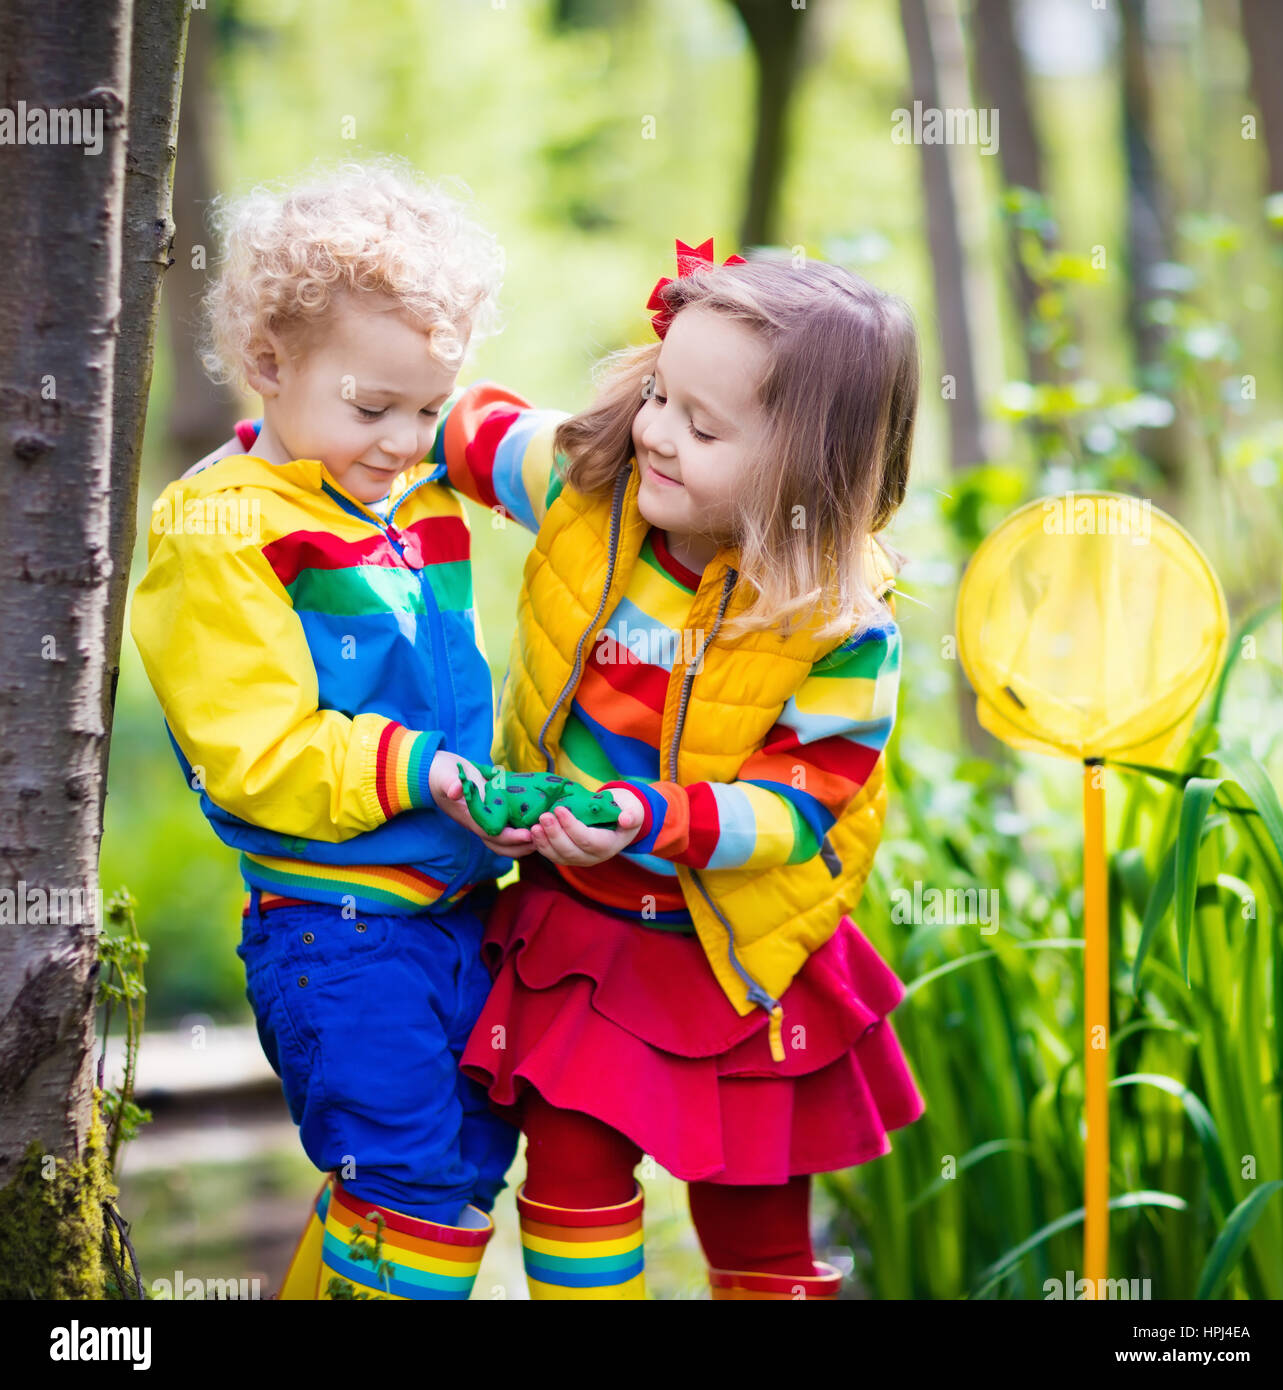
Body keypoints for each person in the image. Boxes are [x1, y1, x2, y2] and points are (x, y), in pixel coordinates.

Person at [439, 239, 928, 1299]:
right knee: (569, 1179)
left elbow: (799, 806)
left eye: (703, 427)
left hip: (741, 950)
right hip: (583, 930)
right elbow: (454, 424)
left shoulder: (839, 623)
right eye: (660, 394)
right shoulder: (590, 484)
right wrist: (290, 443)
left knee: (756, 1215)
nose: (658, 433)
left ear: (809, 473)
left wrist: (644, 814)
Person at [129, 160, 543, 1301]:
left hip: (458, 906)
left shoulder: (403, 494)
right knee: (403, 1180)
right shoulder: (223, 532)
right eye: (374, 408)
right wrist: (427, 771)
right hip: (341, 930)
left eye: (427, 410)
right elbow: (254, 751)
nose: (407, 441)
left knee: (459, 1176)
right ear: (269, 363)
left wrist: (497, 796)